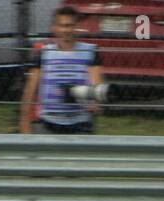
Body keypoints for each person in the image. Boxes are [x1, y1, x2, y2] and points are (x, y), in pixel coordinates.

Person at [19, 6, 104, 134]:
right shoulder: (44, 53)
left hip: (81, 122)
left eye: (70, 25)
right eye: (62, 26)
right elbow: (30, 89)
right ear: (54, 28)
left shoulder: (90, 52)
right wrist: (24, 120)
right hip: (49, 122)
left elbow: (97, 87)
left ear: (77, 27)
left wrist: (90, 100)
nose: (67, 30)